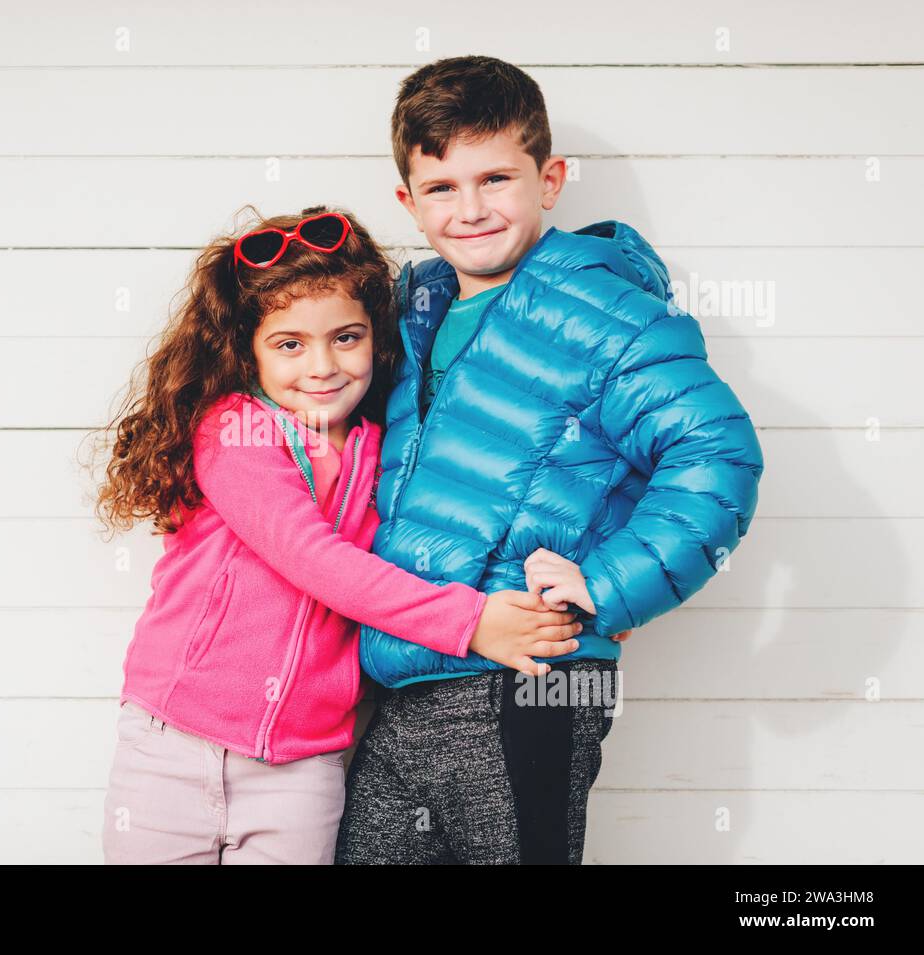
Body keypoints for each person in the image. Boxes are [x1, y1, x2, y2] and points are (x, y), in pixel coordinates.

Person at [334, 55, 764, 865]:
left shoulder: (607, 310)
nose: (471, 209)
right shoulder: (411, 311)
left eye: (496, 178)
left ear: (551, 178)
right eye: (442, 187)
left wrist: (606, 585)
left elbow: (716, 452)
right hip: (401, 678)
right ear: (408, 201)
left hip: (528, 680)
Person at [89, 204, 585, 863]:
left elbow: (488, 500)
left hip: (303, 767)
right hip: (172, 745)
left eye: (345, 337)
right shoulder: (235, 430)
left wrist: (598, 580)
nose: (321, 365)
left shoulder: (385, 449)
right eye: (289, 343)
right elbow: (314, 558)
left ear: (374, 339)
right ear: (247, 349)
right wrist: (469, 621)